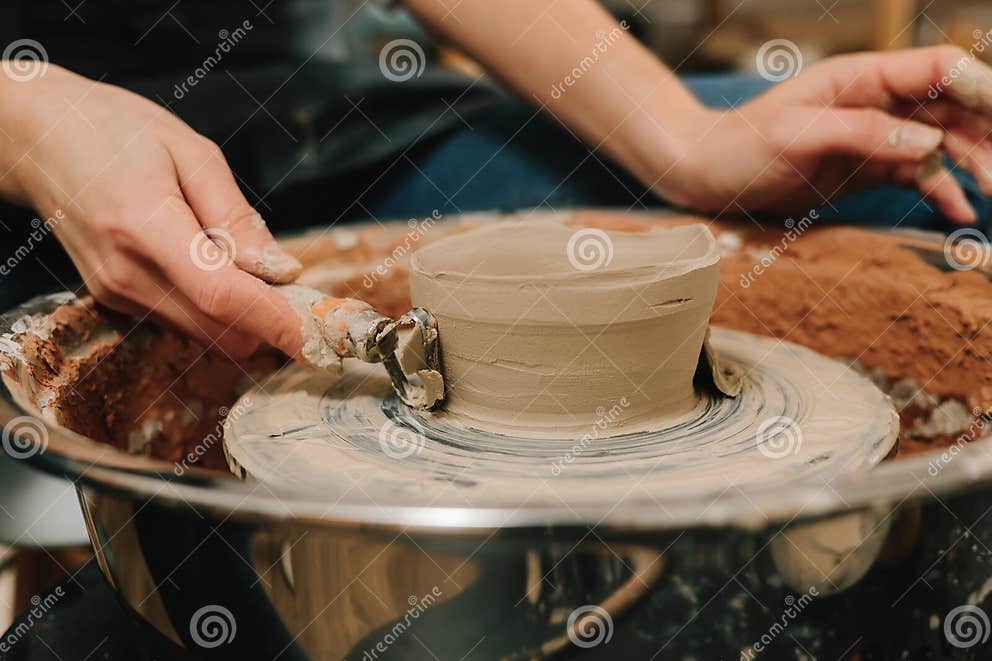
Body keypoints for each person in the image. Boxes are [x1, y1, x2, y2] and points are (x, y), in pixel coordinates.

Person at [1, 0, 990, 364]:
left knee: (918, 189)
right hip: (26, 168)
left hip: (299, 123)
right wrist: (36, 123)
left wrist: (682, 141)